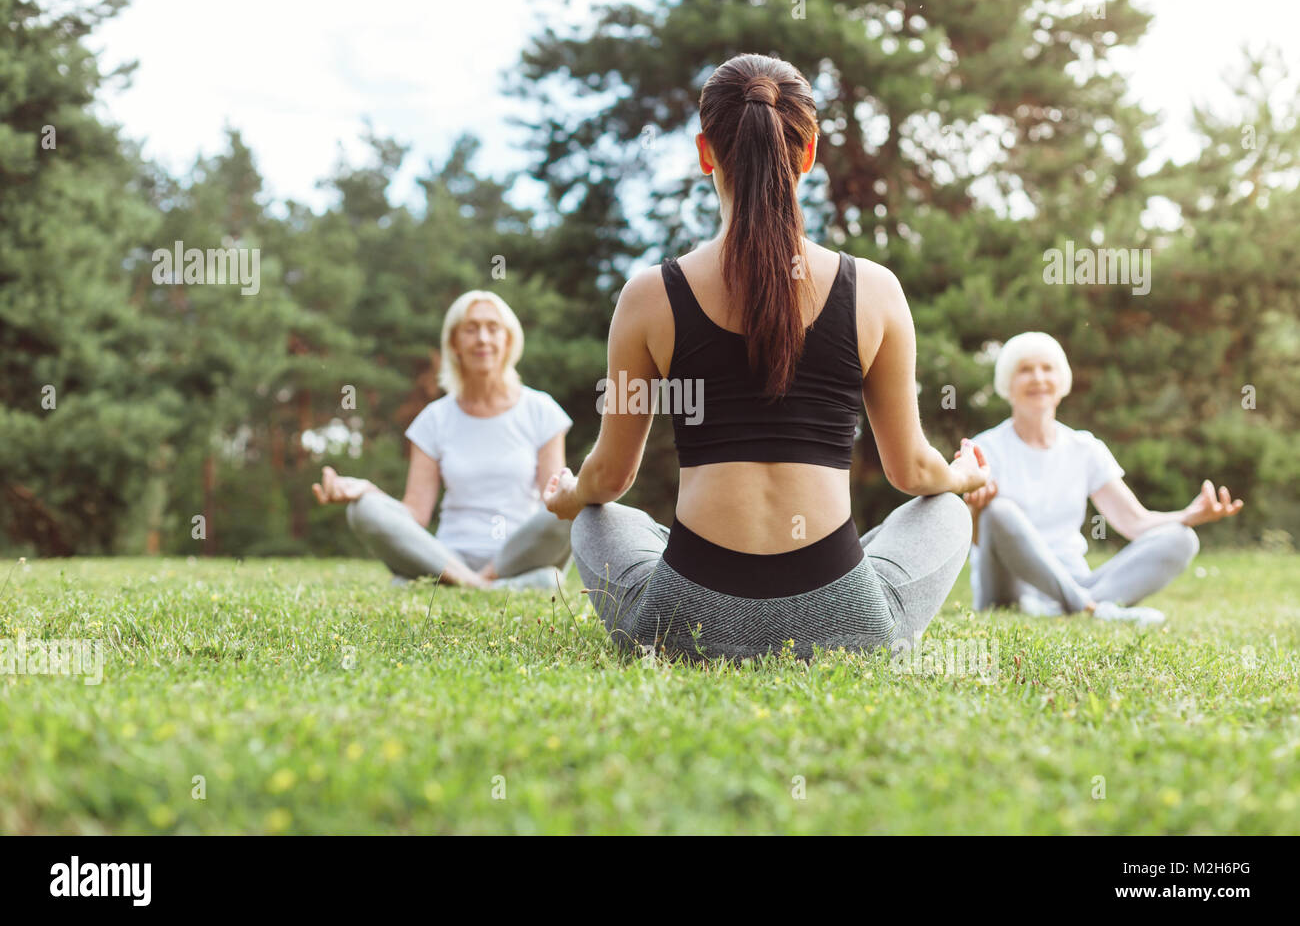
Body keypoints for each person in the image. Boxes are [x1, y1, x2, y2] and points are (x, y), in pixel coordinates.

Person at [541, 53, 988, 662]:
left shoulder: (649, 296)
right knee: (945, 514)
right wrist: (961, 477)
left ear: (707, 153)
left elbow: (607, 479)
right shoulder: (875, 289)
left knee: (597, 519)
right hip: (844, 624)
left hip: (684, 624)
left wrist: (568, 496)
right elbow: (913, 472)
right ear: (807, 155)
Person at [960, 331, 1244, 625]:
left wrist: (1189, 515)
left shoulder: (1085, 448)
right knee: (1000, 512)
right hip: (1009, 592)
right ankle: (1087, 609)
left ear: (1062, 382)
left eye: (1047, 369)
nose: (1038, 378)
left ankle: (1075, 606)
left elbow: (1135, 523)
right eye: (1025, 370)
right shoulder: (985, 448)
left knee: (1181, 538)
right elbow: (980, 540)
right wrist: (978, 512)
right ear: (1007, 383)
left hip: (1079, 580)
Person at [313, 290, 574, 591]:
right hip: (448, 557)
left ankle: (462, 584)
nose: (483, 339)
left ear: (509, 341)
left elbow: (553, 503)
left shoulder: (542, 411)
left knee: (574, 499)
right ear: (454, 343)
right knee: (362, 509)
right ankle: (487, 585)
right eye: (471, 329)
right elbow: (415, 515)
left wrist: (578, 494)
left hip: (518, 557)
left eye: (493, 328)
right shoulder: (433, 419)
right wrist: (367, 492)